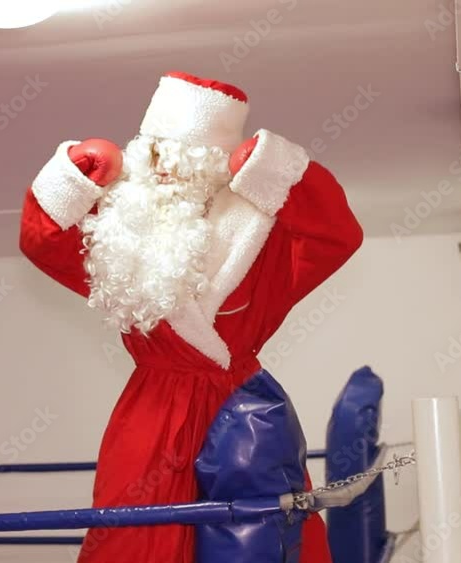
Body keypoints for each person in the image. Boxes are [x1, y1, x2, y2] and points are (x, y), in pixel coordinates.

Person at [19, 71, 363, 563]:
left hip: (242, 408)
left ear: (211, 170)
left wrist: (277, 171)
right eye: (151, 154)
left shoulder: (259, 239)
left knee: (264, 538)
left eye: (175, 158)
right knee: (132, 532)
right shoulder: (119, 236)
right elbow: (44, 242)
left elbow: (337, 237)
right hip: (151, 411)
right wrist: (74, 177)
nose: (160, 170)